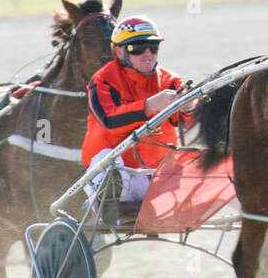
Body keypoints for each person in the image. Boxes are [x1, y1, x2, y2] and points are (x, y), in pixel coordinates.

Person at [81, 15, 194, 208]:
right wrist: (149, 106)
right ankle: (109, 200)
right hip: (116, 169)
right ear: (119, 51)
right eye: (137, 48)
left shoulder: (170, 80)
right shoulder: (102, 81)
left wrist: (189, 109)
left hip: (157, 173)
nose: (148, 54)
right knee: (108, 162)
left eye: (154, 48)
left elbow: (183, 122)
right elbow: (109, 121)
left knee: (202, 160)